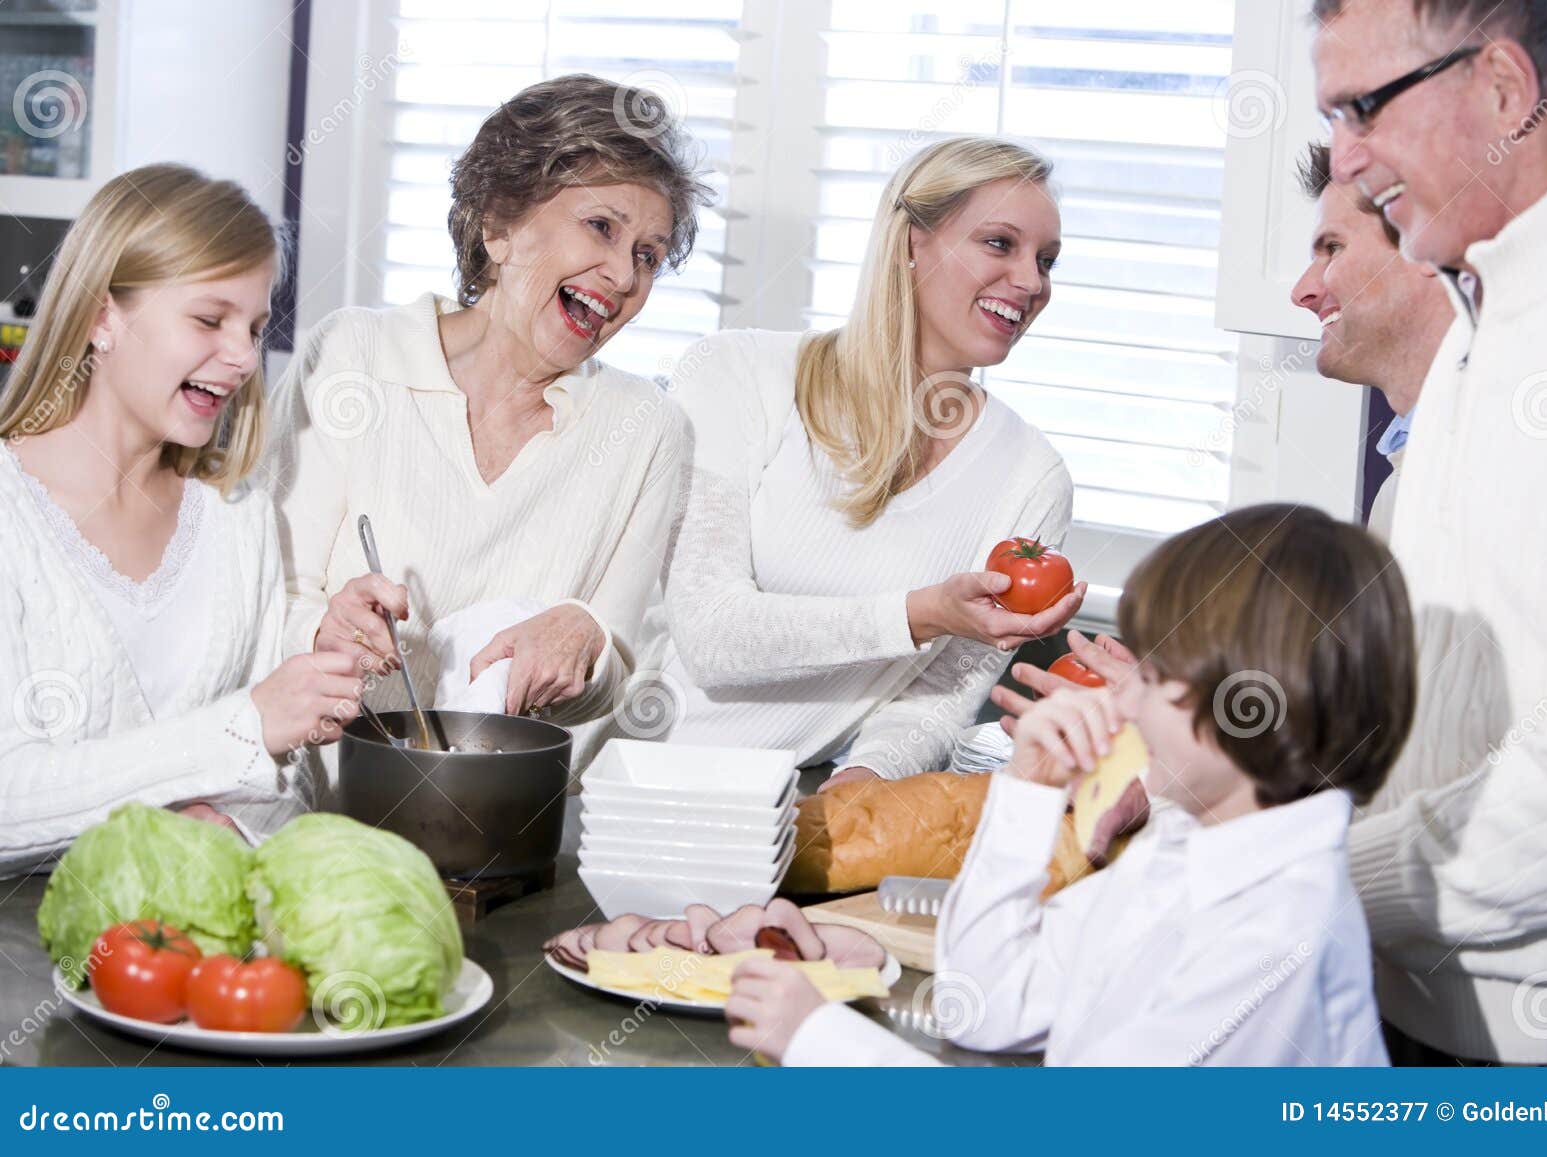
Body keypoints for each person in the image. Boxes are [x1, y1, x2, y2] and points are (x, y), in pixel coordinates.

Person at [728, 504, 1414, 1065]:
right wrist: (1026, 791)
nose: (1124, 700)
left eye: (1150, 673)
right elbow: (990, 1005)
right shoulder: (1179, 848)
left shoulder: (1275, 929)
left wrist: (820, 1038)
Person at [578, 137, 1082, 785]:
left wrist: (861, 785)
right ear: (910, 242)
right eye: (999, 244)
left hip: (789, 806)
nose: (1031, 281)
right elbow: (710, 635)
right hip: (612, 783)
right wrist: (918, 612)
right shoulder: (737, 373)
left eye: (1046, 260)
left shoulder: (1032, 476)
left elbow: (937, 697)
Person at [263, 74, 710, 783]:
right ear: (500, 224)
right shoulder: (353, 357)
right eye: (601, 226)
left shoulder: (647, 428)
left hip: (501, 829)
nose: (624, 275)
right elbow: (260, 606)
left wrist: (585, 637)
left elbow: (612, 676)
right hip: (316, 811)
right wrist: (321, 631)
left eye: (649, 255)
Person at [1313, 0, 1547, 1064]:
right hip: (1394, 1000)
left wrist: (1314, 873)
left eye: (1364, 107)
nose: (1346, 154)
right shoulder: (1482, 323)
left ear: (1503, 91)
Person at [0, 164, 362, 875]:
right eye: (209, 318)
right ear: (104, 317)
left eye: (256, 326)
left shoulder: (235, 515)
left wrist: (216, 816)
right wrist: (238, 732)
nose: (242, 358)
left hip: (194, 953)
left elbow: (287, 788)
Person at [1289, 142, 1454, 538]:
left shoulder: (1512, 462)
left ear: (1427, 246)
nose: (1301, 292)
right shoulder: (1405, 477)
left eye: (1333, 247)